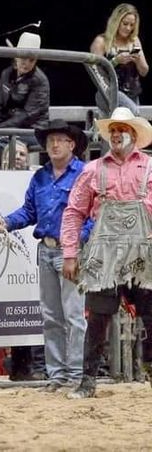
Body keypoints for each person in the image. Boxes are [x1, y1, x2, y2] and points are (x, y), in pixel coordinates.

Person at [0, 120, 89, 391]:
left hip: (71, 251)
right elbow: (29, 211)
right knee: (51, 315)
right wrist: (7, 222)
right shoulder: (40, 177)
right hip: (45, 250)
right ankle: (58, 375)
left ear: (71, 144)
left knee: (73, 315)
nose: (54, 145)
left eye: (60, 140)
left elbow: (94, 214)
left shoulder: (83, 174)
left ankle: (77, 374)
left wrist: (76, 242)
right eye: (50, 140)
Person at [60, 107, 152, 398]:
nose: (115, 134)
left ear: (133, 135)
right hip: (105, 253)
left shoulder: (150, 168)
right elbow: (74, 212)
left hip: (144, 250)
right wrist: (70, 253)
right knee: (97, 318)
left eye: (122, 129)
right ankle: (88, 380)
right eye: (113, 129)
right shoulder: (93, 170)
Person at [103, 3, 148, 106]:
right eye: (125, 23)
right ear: (116, 22)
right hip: (112, 94)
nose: (128, 28)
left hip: (133, 94)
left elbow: (144, 71)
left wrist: (138, 59)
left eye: (132, 25)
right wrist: (116, 60)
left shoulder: (134, 40)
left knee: (133, 118)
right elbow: (98, 74)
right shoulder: (104, 41)